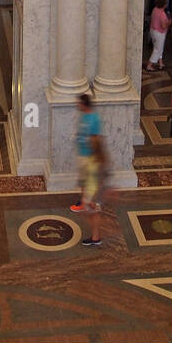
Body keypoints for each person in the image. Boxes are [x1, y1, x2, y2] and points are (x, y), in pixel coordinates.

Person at [70, 93, 105, 245]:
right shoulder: (94, 159)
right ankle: (95, 236)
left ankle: (96, 238)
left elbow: (99, 179)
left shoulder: (94, 160)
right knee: (92, 213)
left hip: (93, 193)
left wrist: (92, 198)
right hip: (92, 192)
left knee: (94, 213)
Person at [145, 0, 170, 72]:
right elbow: (163, 26)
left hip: (153, 31)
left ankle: (160, 62)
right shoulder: (162, 14)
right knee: (157, 49)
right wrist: (169, 23)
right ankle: (149, 65)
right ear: (164, 4)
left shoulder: (155, 9)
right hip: (159, 33)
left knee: (159, 47)